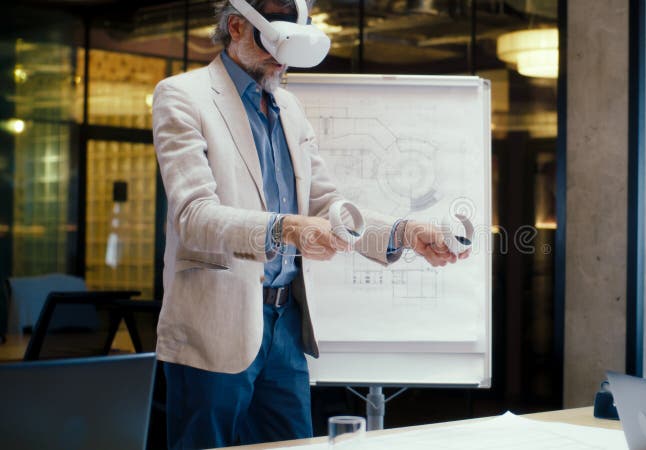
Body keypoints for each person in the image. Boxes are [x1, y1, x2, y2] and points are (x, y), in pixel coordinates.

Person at [151, 0, 470, 448]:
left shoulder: (289, 107)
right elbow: (194, 217)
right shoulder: (183, 95)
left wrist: (405, 233)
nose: (282, 61)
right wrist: (286, 228)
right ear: (237, 27)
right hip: (214, 324)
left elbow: (325, 205)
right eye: (274, 46)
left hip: (285, 324)